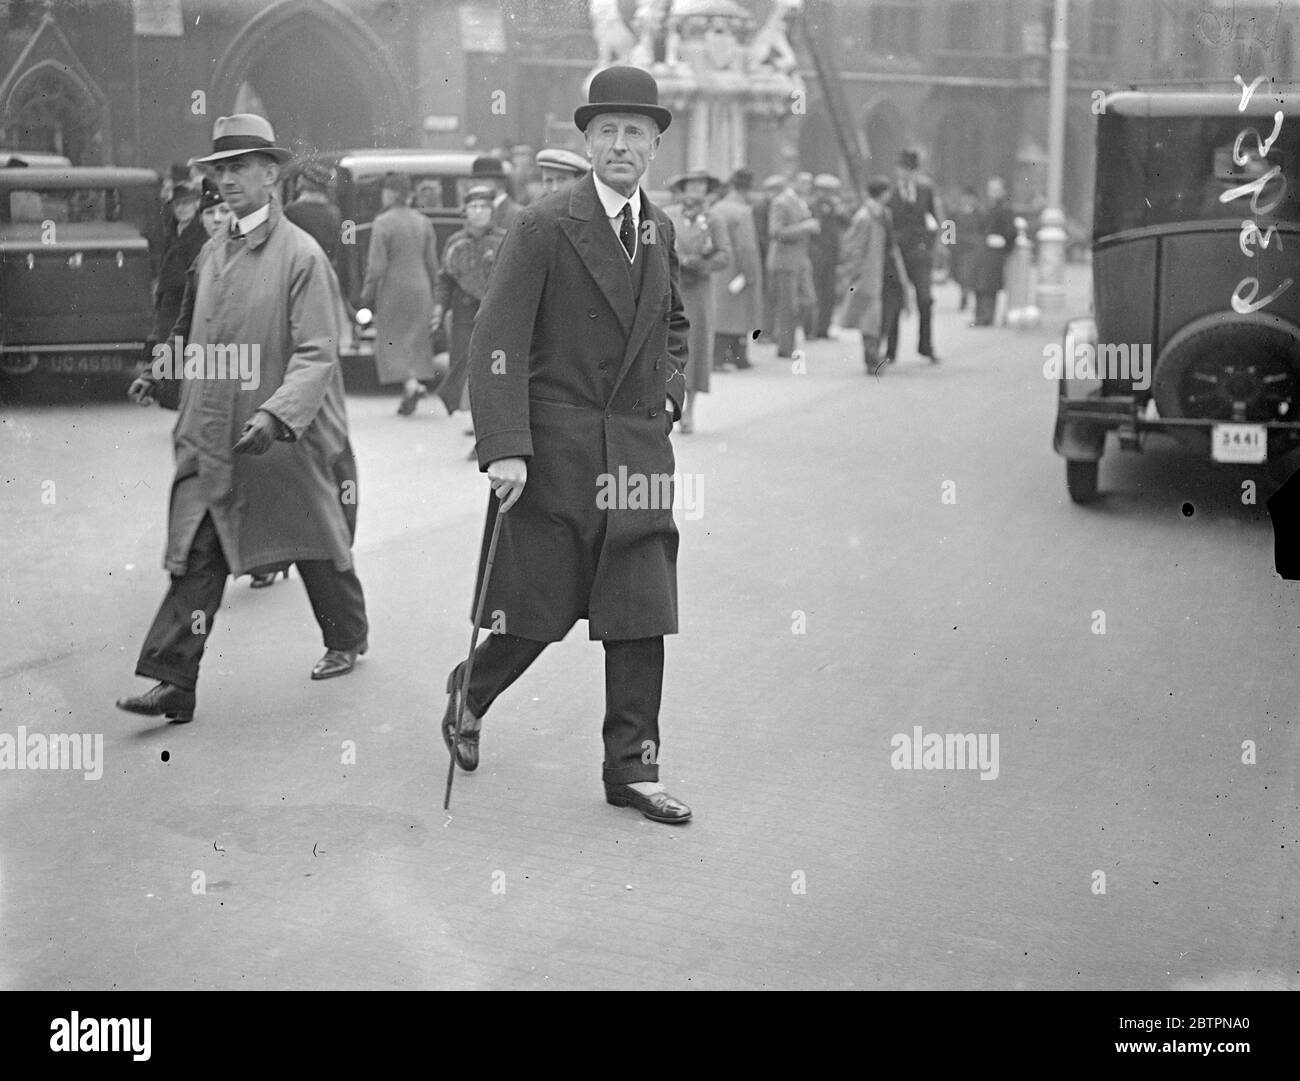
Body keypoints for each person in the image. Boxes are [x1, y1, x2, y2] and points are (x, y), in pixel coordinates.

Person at [442, 64, 693, 824]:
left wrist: (670, 395)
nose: (623, 145)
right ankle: (470, 690)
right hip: (557, 455)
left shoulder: (661, 229)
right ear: (587, 140)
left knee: (639, 610)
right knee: (539, 611)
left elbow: (674, 325)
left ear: (654, 146)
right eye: (609, 131)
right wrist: (507, 445)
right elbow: (497, 340)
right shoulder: (545, 224)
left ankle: (633, 771)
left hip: (638, 458)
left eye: (637, 133)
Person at [117, 114, 370, 725]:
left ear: (271, 174)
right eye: (220, 170)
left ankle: (348, 636)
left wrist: (278, 416)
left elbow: (316, 352)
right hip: (214, 430)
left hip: (285, 436)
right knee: (200, 547)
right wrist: (162, 370)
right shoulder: (212, 251)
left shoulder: (301, 256)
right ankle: (173, 679)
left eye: (239, 168)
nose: (226, 181)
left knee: (312, 537)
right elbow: (192, 329)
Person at [359, 171, 441, 416]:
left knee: (392, 338)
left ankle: (410, 384)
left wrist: (366, 294)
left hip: (394, 289)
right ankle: (414, 383)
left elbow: (377, 267)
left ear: (391, 193)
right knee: (416, 338)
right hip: (421, 288)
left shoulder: (382, 223)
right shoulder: (423, 221)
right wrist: (436, 294)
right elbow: (432, 264)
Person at [432, 184, 506, 418]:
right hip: (464, 314)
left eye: (484, 206)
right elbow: (445, 278)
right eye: (473, 206)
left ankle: (489, 418)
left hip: (496, 314)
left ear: (492, 211)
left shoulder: (505, 239)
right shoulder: (455, 241)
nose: (478, 212)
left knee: (495, 369)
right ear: (465, 211)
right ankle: (472, 415)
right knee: (463, 366)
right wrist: (438, 308)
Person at [664, 169, 730, 432]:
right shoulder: (668, 215)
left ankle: (689, 409)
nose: (696, 190)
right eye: (691, 185)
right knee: (667, 347)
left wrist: (701, 263)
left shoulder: (715, 219)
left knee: (695, 347)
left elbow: (724, 255)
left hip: (699, 291)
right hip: (671, 288)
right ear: (682, 189)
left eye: (701, 186)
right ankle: (667, 405)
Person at [839, 177, 910, 372]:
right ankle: (871, 357)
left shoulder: (882, 213)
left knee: (883, 313)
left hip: (886, 270)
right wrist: (855, 273)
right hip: (870, 272)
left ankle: (875, 355)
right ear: (883, 193)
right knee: (870, 316)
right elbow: (854, 247)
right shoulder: (866, 216)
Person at [886, 149, 942, 362]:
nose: (904, 174)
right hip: (898, 254)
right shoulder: (890, 193)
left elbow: (935, 219)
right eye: (901, 169)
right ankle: (891, 351)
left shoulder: (926, 191)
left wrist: (929, 244)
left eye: (909, 170)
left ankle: (926, 346)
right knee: (894, 302)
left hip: (919, 253)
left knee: (925, 299)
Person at [711, 168, 763, 371]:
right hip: (736, 270)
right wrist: (750, 273)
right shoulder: (742, 211)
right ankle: (737, 356)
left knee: (723, 314)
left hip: (719, 268)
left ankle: (724, 356)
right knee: (738, 314)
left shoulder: (717, 207)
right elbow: (747, 247)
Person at [766, 173, 820, 358]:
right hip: (785, 260)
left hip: (800, 259)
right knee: (787, 306)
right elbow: (775, 231)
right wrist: (806, 227)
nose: (807, 186)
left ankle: (782, 338)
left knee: (808, 300)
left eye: (809, 183)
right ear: (793, 182)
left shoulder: (800, 201)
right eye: (803, 182)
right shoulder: (782, 202)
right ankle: (785, 347)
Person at [808, 173, 851, 338]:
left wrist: (840, 210)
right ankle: (813, 328)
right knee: (816, 292)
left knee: (829, 293)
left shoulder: (835, 207)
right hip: (817, 254)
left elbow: (848, 222)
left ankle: (824, 328)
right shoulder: (812, 205)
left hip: (832, 254)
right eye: (827, 191)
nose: (830, 195)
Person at [971, 176, 1017, 326]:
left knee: (989, 286)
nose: (993, 193)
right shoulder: (987, 208)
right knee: (979, 284)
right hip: (983, 251)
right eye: (991, 189)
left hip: (995, 253)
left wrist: (1001, 240)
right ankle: (979, 316)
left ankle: (986, 317)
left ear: (1002, 191)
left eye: (996, 190)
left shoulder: (1005, 209)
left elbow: (1011, 232)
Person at [283, 160, 342, 268]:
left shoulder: (290, 212)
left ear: (301, 184)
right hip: (326, 270)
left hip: (299, 270)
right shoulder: (334, 213)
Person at [470, 155, 521, 233]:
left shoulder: (517, 214)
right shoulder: (475, 210)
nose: (474, 185)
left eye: (482, 179)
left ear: (498, 182)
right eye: (473, 181)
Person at [950, 186, 981, 312]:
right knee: (959, 275)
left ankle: (965, 295)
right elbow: (948, 228)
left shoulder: (979, 214)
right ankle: (964, 293)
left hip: (972, 249)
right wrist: (948, 245)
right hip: (958, 248)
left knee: (968, 273)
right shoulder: (954, 213)